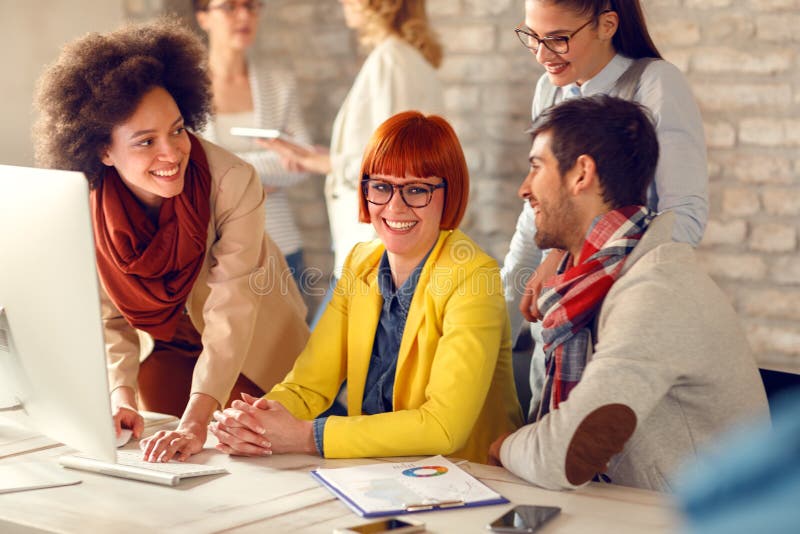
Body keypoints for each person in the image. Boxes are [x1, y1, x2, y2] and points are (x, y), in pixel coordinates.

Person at [33, 18, 310, 463]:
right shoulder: (86, 199)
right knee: (149, 461)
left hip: (247, 345)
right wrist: (119, 394)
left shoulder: (234, 181)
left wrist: (198, 418)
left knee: (249, 460)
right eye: (145, 141)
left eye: (178, 129)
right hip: (162, 345)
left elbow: (232, 307)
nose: (171, 152)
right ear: (104, 150)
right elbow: (108, 314)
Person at [209, 111, 523, 464]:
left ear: (449, 193)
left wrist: (306, 436)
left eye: (417, 189)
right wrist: (258, 422)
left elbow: (443, 427)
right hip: (376, 471)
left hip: (467, 479)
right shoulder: (362, 263)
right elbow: (309, 384)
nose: (394, 206)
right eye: (381, 187)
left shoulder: (473, 277)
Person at [488, 95, 767, 490]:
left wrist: (504, 448)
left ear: (581, 173)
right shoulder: (592, 279)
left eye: (536, 167)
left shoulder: (655, 292)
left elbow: (564, 455)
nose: (524, 189)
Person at [502, 0, 709, 418]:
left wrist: (570, 261)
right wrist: (497, 337)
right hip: (555, 314)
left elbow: (683, 219)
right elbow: (537, 213)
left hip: (623, 316)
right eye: (532, 37)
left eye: (557, 39)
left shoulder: (655, 84)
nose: (542, 55)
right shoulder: (550, 89)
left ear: (607, 25)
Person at [265, 0, 445, 323]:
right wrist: (327, 158)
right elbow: (387, 151)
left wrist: (324, 165)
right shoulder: (406, 58)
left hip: (374, 252)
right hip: (380, 249)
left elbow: (394, 165)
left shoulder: (390, 60)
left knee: (321, 362)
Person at [194, 0, 313, 287]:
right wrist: (263, 173)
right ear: (203, 17)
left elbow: (303, 162)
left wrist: (226, 176)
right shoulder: (186, 89)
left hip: (280, 245)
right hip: (213, 251)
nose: (244, 15)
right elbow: (190, 169)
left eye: (251, 5)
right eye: (229, 7)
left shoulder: (279, 84)